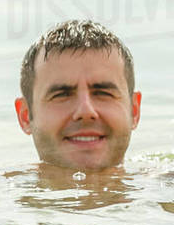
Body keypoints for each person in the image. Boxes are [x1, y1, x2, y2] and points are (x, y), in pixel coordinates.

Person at [14, 19, 141, 171]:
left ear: (134, 111)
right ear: (25, 116)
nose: (86, 111)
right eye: (62, 95)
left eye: (103, 93)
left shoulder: (171, 187)